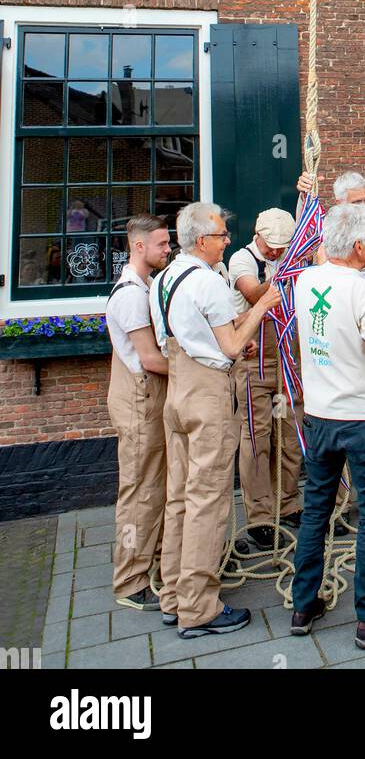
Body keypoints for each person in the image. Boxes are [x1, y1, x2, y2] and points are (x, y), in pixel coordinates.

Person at [150, 202, 282, 639]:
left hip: (178, 388)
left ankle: (174, 595)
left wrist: (239, 322)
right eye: (223, 235)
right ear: (202, 240)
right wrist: (264, 306)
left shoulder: (164, 280)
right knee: (209, 499)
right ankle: (200, 607)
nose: (228, 241)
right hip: (208, 391)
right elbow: (229, 346)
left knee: (180, 497)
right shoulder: (207, 282)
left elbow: (191, 334)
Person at [290, 202, 365, 650]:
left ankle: (303, 606)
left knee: (316, 510)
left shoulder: (306, 281)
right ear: (359, 245)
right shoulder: (362, 290)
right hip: (360, 418)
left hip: (319, 416)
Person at [298, 167, 365, 527]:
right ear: (341, 205)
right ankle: (341, 508)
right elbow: (302, 253)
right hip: (341, 351)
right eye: (359, 202)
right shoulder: (327, 240)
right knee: (344, 440)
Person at [106, 214, 172, 611]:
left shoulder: (146, 286)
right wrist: (200, 366)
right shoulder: (131, 294)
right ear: (138, 246)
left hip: (149, 397)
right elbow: (149, 358)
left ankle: (158, 566)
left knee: (155, 486)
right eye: (162, 244)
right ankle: (129, 579)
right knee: (139, 491)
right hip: (139, 399)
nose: (168, 249)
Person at [228, 208, 303, 549]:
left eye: (282, 247)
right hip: (253, 362)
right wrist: (285, 271)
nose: (275, 252)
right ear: (257, 235)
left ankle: (288, 504)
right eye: (271, 246)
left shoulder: (290, 255)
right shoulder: (241, 261)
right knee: (257, 437)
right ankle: (259, 515)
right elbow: (255, 294)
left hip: (287, 358)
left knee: (288, 432)